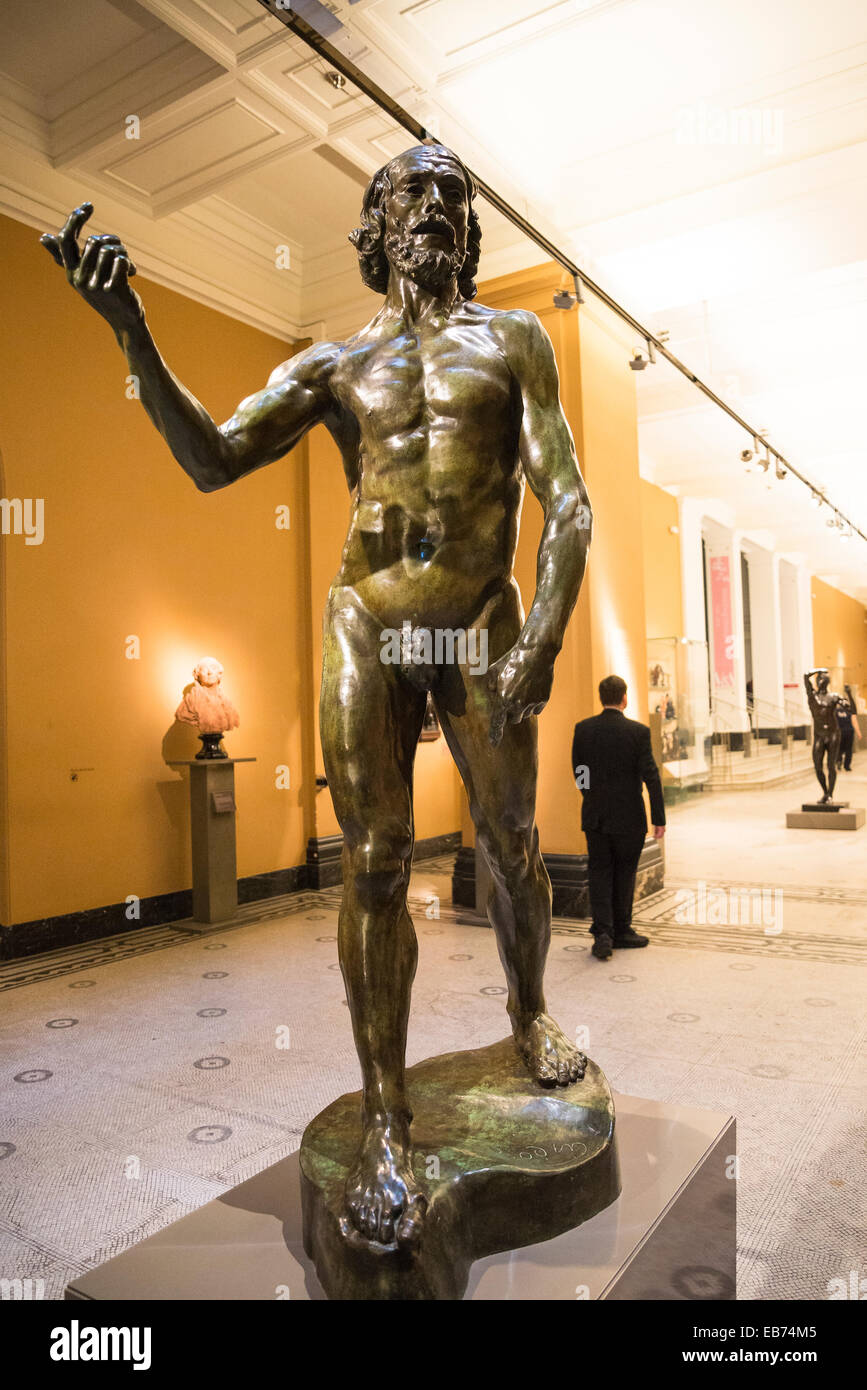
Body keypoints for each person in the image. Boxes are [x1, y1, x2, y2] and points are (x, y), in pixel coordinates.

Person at [41, 143, 592, 1250]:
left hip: (480, 615)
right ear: (376, 230)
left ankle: (529, 1010)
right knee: (376, 860)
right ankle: (388, 1116)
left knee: (511, 839)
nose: (432, 208)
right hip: (368, 618)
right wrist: (133, 332)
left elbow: (566, 502)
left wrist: (541, 636)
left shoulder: (514, 340)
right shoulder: (337, 363)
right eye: (410, 194)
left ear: (467, 228)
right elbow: (213, 459)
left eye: (450, 195)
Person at [571, 675, 666, 961]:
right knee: (625, 872)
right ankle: (622, 930)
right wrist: (659, 818)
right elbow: (651, 776)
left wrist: (590, 794)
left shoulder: (584, 729)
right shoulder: (638, 732)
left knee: (599, 871)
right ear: (624, 698)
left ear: (602, 698)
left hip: (596, 816)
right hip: (629, 816)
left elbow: (579, 770)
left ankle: (603, 932)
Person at [835, 684, 861, 771]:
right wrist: (849, 694)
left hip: (840, 733)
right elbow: (854, 720)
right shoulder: (850, 711)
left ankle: (839, 761)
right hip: (849, 732)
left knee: (840, 748)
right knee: (848, 750)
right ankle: (847, 766)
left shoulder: (836, 711)